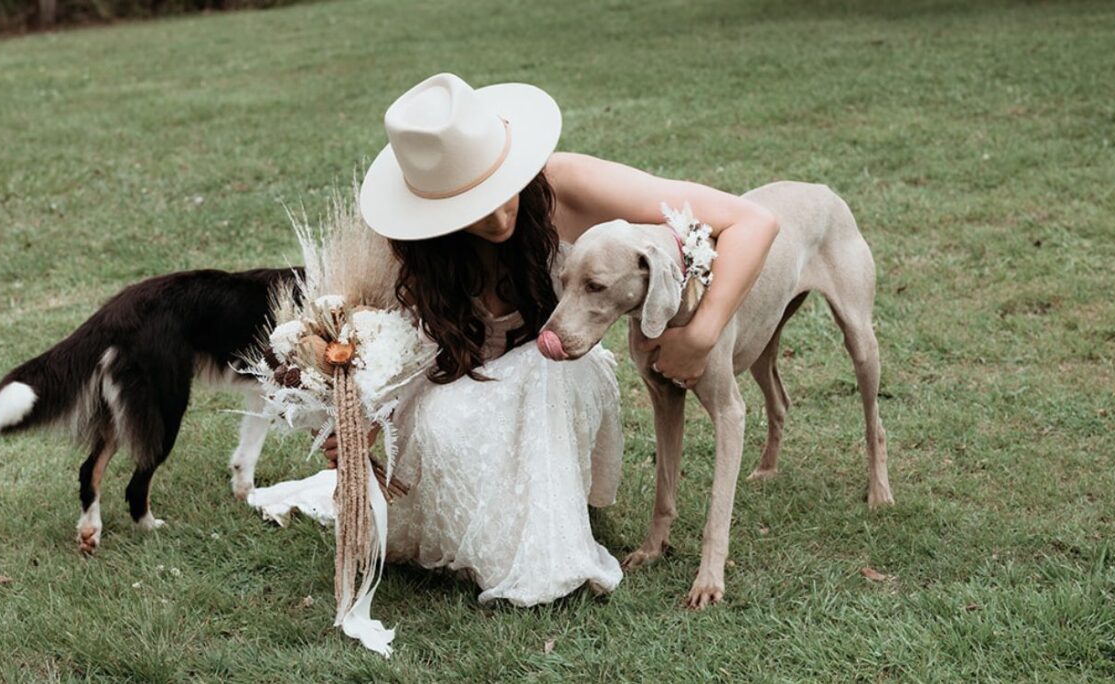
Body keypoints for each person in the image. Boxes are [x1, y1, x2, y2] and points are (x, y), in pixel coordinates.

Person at [259, 73, 779, 606]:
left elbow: (752, 221)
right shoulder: (418, 249)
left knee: (546, 374)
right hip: (468, 385)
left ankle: (543, 538)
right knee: (439, 427)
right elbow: (398, 348)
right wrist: (359, 414)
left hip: (556, 376)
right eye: (469, 205)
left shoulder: (568, 182)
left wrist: (701, 332)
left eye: (498, 187)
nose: (499, 214)